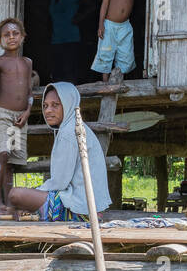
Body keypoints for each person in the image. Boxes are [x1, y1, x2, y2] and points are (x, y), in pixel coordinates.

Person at [6, 82, 111, 222]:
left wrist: (35, 192)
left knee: (15, 195)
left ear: (68, 104)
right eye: (45, 106)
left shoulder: (68, 132)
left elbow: (59, 183)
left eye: (55, 105)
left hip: (80, 209)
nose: (48, 110)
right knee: (23, 199)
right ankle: (39, 213)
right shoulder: (74, 127)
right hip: (88, 207)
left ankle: (46, 214)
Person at [0, 18, 34, 216]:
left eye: (15, 33)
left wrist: (28, 112)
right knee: (2, 153)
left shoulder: (27, 63)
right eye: (6, 35)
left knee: (11, 162)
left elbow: (29, 92)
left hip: (20, 118)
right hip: (3, 115)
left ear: (22, 37)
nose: (11, 37)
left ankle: (10, 204)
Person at [92, 0, 147, 81]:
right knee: (106, 52)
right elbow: (104, 5)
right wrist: (101, 25)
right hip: (109, 25)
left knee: (125, 53)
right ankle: (105, 83)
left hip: (125, 26)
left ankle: (118, 80)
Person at [47, 0, 86, 81]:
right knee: (57, 70)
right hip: (56, 38)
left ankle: (71, 95)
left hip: (71, 37)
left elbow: (92, 6)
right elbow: (50, 17)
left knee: (70, 69)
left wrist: (80, 17)